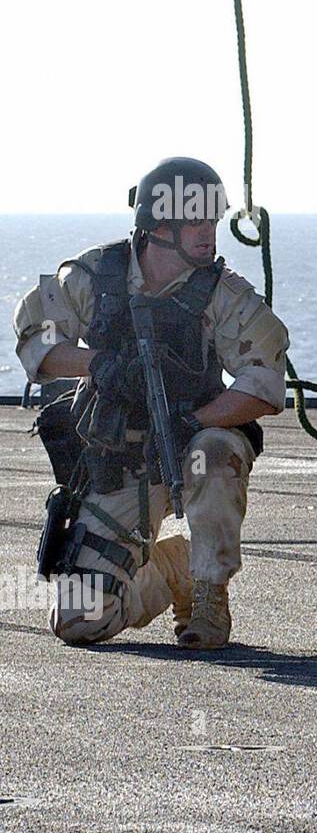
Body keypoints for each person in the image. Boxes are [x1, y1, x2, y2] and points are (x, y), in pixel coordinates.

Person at [12, 158, 287, 648]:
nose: (210, 234)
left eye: (214, 221)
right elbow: (36, 341)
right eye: (197, 223)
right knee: (78, 621)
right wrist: (97, 363)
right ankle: (174, 565)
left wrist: (193, 421)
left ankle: (209, 590)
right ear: (159, 226)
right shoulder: (96, 275)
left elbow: (264, 385)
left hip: (192, 442)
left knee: (216, 451)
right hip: (121, 457)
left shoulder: (222, 293)